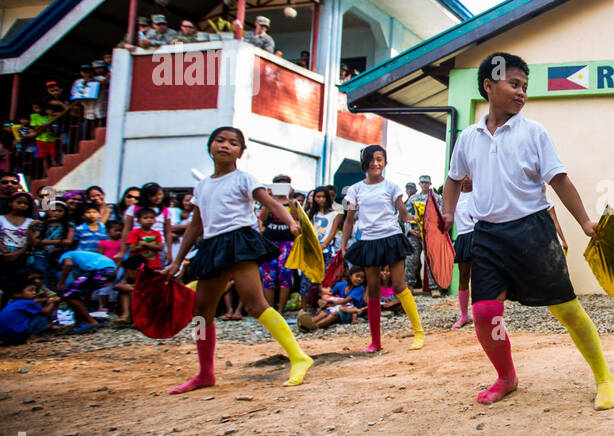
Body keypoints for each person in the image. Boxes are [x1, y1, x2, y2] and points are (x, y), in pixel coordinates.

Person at [441, 52, 614, 410]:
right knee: (485, 313)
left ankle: (604, 378)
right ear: (489, 87)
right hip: (487, 236)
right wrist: (447, 212)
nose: (521, 93)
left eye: (525, 86)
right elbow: (453, 179)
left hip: (533, 233)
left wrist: (585, 222)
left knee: (567, 310)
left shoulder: (534, 133)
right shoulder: (469, 138)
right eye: (514, 84)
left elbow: (560, 180)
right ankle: (506, 377)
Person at [163, 126, 313, 391]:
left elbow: (272, 203)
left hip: (240, 241)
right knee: (201, 312)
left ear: (242, 152)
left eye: (233, 143)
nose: (225, 146)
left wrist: (291, 222)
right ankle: (205, 372)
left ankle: (299, 357)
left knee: (255, 305)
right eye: (219, 141)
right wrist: (177, 261)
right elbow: (195, 226)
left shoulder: (245, 178)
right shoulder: (202, 186)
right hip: (212, 246)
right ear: (209, 146)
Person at [338, 144, 426, 353]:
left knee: (398, 284)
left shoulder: (392, 187)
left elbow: (404, 215)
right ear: (365, 163)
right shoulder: (355, 190)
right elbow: (349, 220)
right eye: (372, 159)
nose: (376, 163)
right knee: (373, 288)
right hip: (368, 241)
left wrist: (420, 218)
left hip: (391, 238)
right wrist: (344, 245)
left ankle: (419, 333)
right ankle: (375, 342)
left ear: (385, 162)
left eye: (380, 159)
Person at [258, 176, 296, 315]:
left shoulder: (293, 203)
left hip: (287, 242)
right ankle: (270, 310)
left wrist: (291, 199)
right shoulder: (268, 202)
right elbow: (262, 218)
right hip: (269, 242)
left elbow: (295, 218)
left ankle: (281, 311)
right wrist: (270, 199)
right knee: (268, 276)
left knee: (285, 276)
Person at [451, 175, 477, 328]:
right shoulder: (455, 197)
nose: (466, 179)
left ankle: (478, 314)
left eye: (469, 175)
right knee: (463, 277)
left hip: (477, 234)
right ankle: (464, 316)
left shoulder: (478, 194)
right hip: (462, 237)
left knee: (478, 277)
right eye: (464, 176)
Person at [1, 190, 38, 301]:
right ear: (10, 203)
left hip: (22, 256)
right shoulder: (1, 219)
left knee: (18, 282)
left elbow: (31, 241)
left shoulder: (30, 222)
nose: (22, 205)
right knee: (3, 281)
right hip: (3, 256)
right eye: (19, 202)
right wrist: (4, 252)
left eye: (25, 204)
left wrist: (18, 253)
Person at [0, 277, 57, 344]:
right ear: (17, 294)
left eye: (35, 291)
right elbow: (46, 311)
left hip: (3, 336)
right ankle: (31, 337)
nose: (34, 293)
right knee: (42, 318)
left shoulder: (12, 303)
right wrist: (53, 301)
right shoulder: (27, 302)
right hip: (15, 334)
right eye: (30, 291)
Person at [403, 181, 424, 293]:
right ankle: (409, 285)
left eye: (412, 188)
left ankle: (432, 286)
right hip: (412, 232)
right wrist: (409, 230)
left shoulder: (432, 198)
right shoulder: (409, 201)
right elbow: (404, 217)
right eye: (408, 189)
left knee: (428, 260)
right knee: (411, 260)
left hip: (426, 232)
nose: (410, 191)